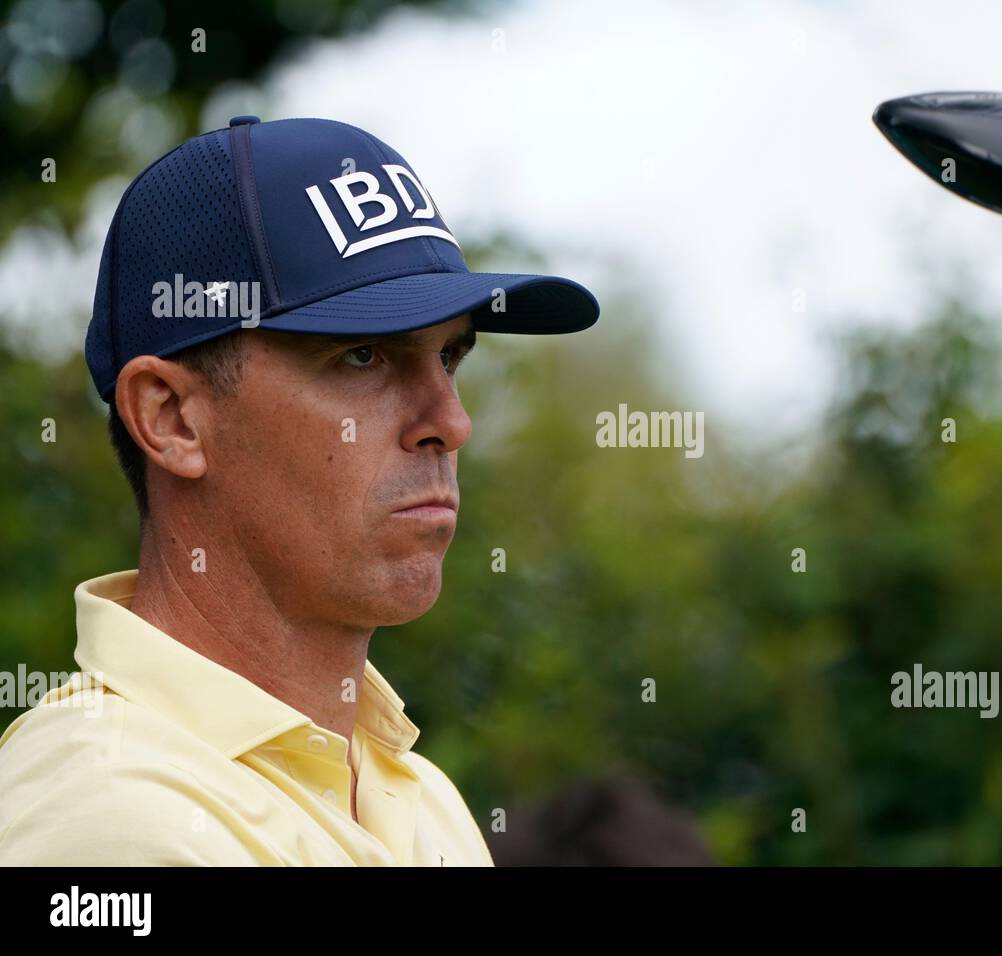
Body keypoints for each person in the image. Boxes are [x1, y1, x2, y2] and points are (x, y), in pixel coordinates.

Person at [0, 116, 598, 865]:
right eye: (361, 356)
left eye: (449, 356)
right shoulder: (111, 820)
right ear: (172, 418)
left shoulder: (422, 799)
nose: (451, 420)